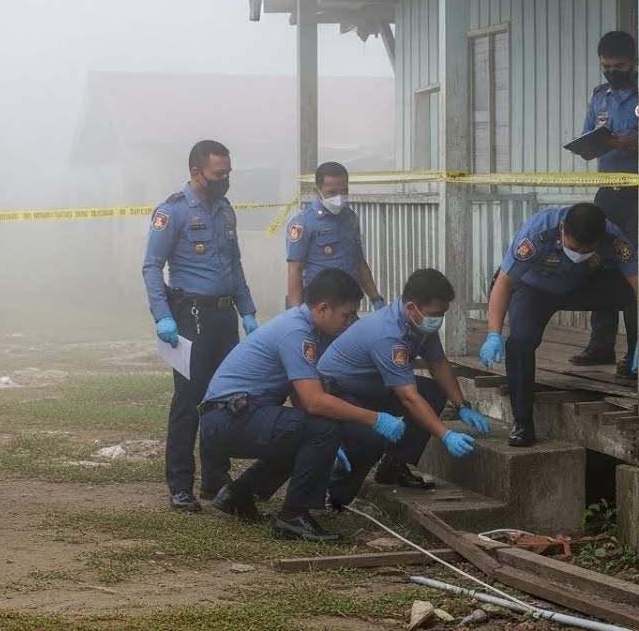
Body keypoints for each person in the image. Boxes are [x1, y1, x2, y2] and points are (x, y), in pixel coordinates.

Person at [200, 269, 407, 541]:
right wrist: (376, 419)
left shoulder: (303, 326)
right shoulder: (296, 332)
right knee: (321, 428)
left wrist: (323, 448)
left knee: (309, 432)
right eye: (346, 314)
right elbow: (313, 401)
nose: (350, 322)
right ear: (323, 309)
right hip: (228, 419)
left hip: (229, 417)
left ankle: (238, 495)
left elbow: (301, 395)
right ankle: (293, 516)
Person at [142, 139, 258, 511]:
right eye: (217, 174)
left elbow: (235, 266)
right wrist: (162, 315)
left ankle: (215, 478)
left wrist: (248, 312)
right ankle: (180, 485)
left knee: (223, 399)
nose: (224, 180)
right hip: (189, 319)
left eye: (227, 173)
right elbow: (151, 267)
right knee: (189, 401)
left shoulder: (225, 212)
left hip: (225, 318)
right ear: (196, 173)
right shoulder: (171, 211)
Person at [317, 268, 489, 505]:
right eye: (435, 314)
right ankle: (332, 496)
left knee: (433, 392)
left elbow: (438, 363)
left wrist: (461, 405)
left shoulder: (419, 323)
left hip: (375, 385)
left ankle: (394, 466)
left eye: (442, 314)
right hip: (340, 391)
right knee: (370, 441)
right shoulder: (388, 334)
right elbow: (409, 397)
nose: (438, 320)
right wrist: (445, 434)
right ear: (411, 307)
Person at [478, 203, 638, 447]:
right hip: (535, 289)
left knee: (631, 291)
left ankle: (635, 364)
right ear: (562, 229)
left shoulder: (613, 238)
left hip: (581, 286)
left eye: (588, 250)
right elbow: (504, 282)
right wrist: (493, 334)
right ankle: (522, 422)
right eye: (574, 247)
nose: (579, 253)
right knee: (520, 342)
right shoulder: (537, 233)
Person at [569, 31, 639, 381]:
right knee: (598, 262)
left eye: (619, 66)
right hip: (607, 191)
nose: (612, 72)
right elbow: (586, 138)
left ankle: (638, 350)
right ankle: (601, 344)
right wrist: (593, 144)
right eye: (607, 67)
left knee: (635, 271)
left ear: (634, 61)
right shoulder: (600, 97)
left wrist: (635, 145)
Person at [285, 161, 384, 310]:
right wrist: (295, 313)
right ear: (317, 190)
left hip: (349, 304)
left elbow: (359, 262)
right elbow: (294, 270)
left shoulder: (350, 218)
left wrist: (376, 299)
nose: (339, 197)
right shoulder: (303, 223)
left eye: (344, 191)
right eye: (332, 192)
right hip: (319, 308)